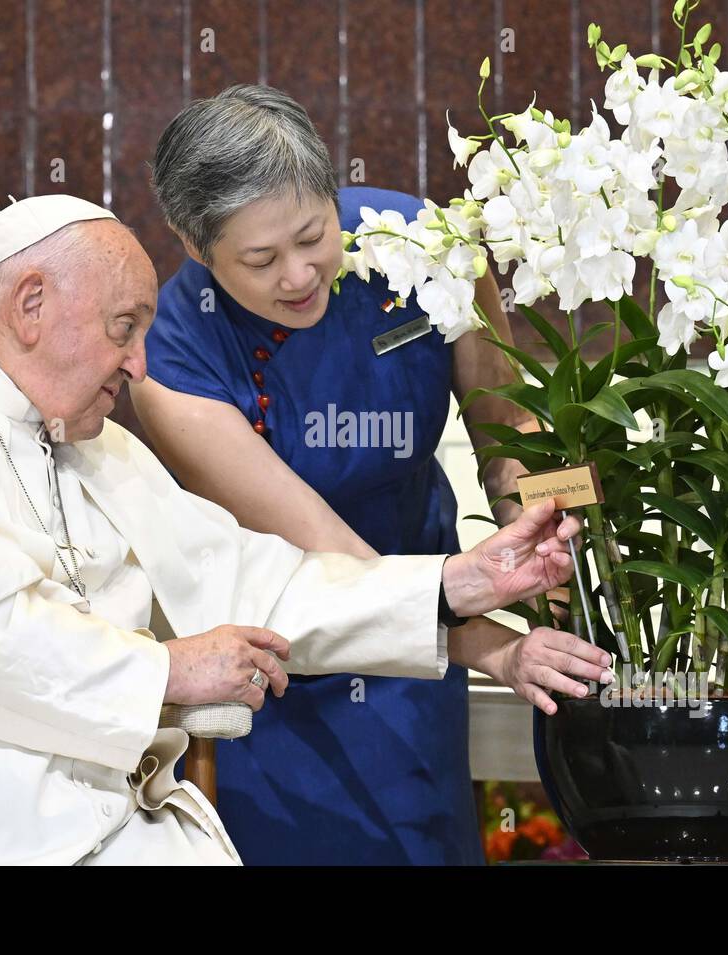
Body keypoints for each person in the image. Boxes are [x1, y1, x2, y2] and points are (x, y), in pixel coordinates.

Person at [0, 195, 603, 865]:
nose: (139, 362)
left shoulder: (99, 448)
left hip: (77, 798)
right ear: (29, 305)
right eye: (122, 328)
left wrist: (456, 586)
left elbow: (259, 575)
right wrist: (164, 669)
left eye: (311, 239)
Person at [137, 84, 603, 865]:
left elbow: (506, 424)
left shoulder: (422, 246)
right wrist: (493, 647)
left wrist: (561, 542)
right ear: (195, 248)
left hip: (424, 657)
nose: (298, 275)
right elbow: (319, 545)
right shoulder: (174, 355)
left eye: (313, 235)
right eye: (259, 259)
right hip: (274, 675)